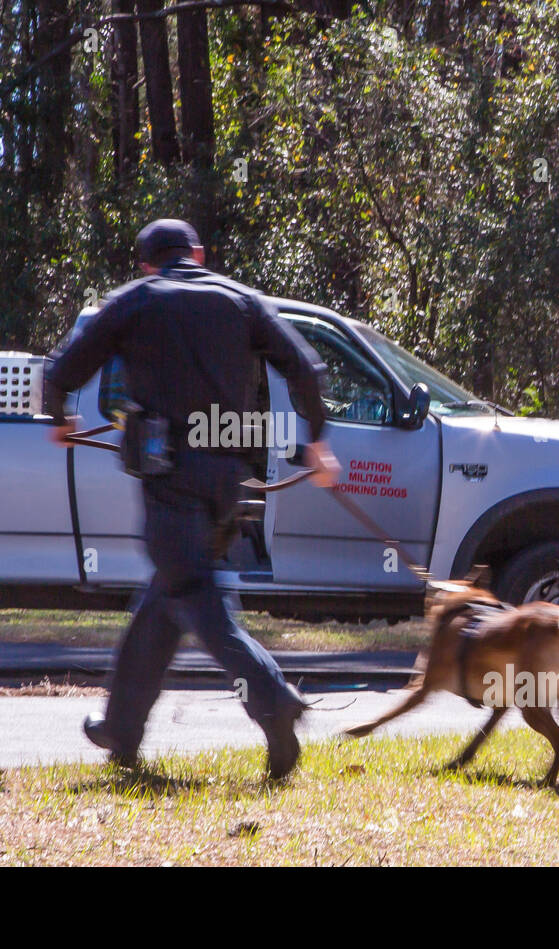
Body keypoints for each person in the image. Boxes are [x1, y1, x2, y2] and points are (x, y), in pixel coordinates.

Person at [43, 219, 341, 779]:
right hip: (227, 476)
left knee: (190, 592)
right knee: (167, 596)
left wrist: (60, 420)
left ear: (146, 264)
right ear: (198, 253)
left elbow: (62, 371)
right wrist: (318, 439)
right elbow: (304, 369)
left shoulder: (136, 300)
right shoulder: (242, 300)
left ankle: (274, 701)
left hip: (170, 473)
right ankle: (120, 730)